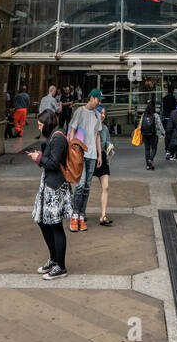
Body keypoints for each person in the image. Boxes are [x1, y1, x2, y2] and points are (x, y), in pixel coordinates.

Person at [27, 108, 71, 278]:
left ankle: (61, 266)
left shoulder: (58, 137)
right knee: (43, 221)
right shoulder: (54, 135)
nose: (39, 128)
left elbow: (53, 163)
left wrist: (38, 158)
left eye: (40, 125)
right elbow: (51, 159)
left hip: (55, 187)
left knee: (55, 225)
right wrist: (40, 156)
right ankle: (54, 259)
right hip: (48, 185)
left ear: (47, 123)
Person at [69, 87, 103, 231]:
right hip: (81, 154)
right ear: (92, 98)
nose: (99, 102)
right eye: (98, 99)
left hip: (93, 155)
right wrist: (71, 151)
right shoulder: (80, 112)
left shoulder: (97, 115)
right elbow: (72, 131)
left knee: (87, 187)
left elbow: (97, 135)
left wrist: (100, 155)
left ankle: (82, 216)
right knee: (80, 185)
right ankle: (74, 215)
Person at [94, 106, 115, 224]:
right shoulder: (90, 127)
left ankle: (103, 216)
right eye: (100, 113)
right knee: (84, 188)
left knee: (106, 187)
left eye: (104, 113)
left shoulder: (105, 129)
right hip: (91, 157)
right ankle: (80, 214)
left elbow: (107, 142)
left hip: (102, 157)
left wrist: (110, 148)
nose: (102, 115)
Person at [139, 99, 164, 169]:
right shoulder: (155, 115)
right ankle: (150, 159)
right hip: (153, 134)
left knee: (147, 149)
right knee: (154, 148)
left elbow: (140, 124)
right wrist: (163, 133)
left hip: (145, 134)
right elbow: (160, 125)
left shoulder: (143, 115)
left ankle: (147, 165)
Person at [161, 87, 177, 159]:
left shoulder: (164, 98)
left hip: (165, 119)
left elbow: (162, 109)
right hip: (172, 119)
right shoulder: (174, 99)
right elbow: (176, 108)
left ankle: (167, 151)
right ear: (173, 91)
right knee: (173, 135)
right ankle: (171, 151)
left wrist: (162, 118)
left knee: (166, 135)